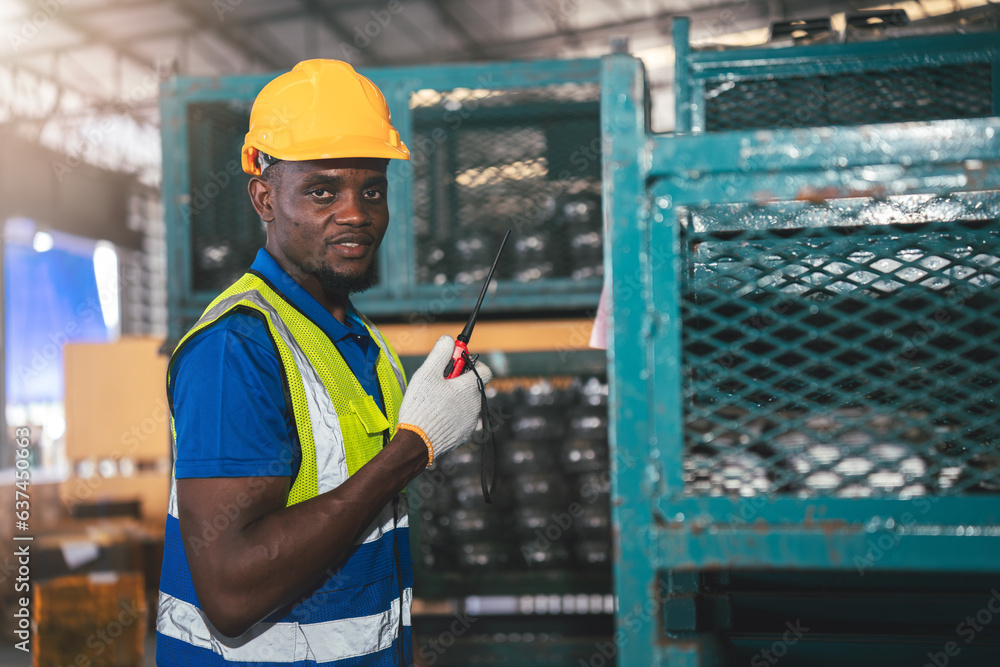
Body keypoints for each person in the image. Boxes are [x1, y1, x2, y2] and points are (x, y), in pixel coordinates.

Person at [156, 59, 491, 666]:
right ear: (265, 197)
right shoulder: (238, 348)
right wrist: (414, 447)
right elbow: (231, 590)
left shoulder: (356, 336)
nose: (356, 212)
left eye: (372, 189)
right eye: (321, 190)